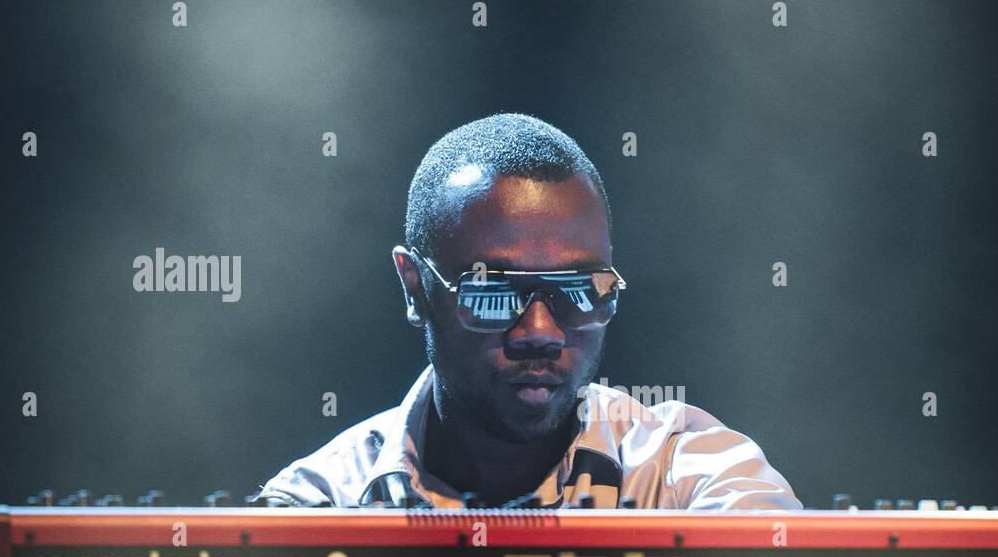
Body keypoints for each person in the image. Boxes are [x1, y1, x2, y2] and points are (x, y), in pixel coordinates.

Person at [257, 114, 800, 510]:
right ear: (415, 286)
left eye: (578, 292)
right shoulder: (320, 503)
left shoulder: (693, 474)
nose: (540, 332)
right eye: (493, 292)